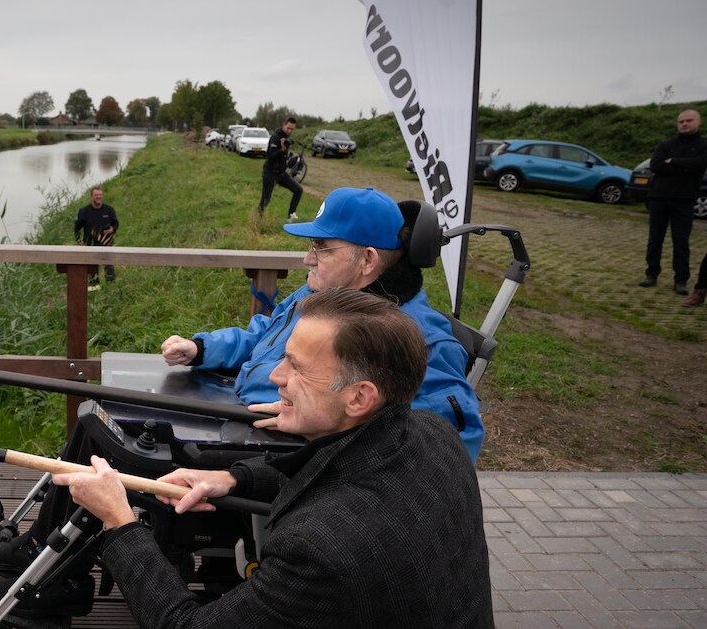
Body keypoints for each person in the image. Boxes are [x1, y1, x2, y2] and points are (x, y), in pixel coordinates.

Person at [54, 288, 494, 628]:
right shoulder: (434, 434)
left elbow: (184, 625)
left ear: (360, 397)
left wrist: (119, 522)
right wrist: (233, 478)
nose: (277, 377)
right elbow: (330, 470)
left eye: (297, 367)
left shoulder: (319, 552)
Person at [162, 186, 483, 462]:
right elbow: (265, 335)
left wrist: (327, 426)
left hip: (298, 459)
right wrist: (203, 348)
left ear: (367, 260)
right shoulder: (319, 294)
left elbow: (452, 439)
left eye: (322, 249)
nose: (307, 259)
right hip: (242, 416)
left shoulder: (414, 339)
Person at [639, 109, 707, 295]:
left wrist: (674, 161)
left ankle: (681, 280)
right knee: (655, 240)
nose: (684, 124)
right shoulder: (666, 144)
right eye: (681, 121)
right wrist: (685, 167)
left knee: (681, 242)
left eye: (689, 120)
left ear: (699, 122)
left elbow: (701, 163)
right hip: (659, 197)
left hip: (684, 200)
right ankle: (651, 274)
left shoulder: (704, 145)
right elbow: (656, 165)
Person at [259, 116, 303, 222]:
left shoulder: (286, 138)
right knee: (265, 200)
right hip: (270, 172)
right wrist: (282, 150)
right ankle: (257, 219)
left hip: (281, 173)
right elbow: (270, 156)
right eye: (288, 128)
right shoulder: (275, 137)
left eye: (292, 129)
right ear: (284, 124)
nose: (290, 131)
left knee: (298, 190)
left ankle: (291, 214)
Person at [74, 186, 119, 285]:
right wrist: (79, 241)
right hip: (90, 244)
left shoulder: (109, 209)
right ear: (91, 197)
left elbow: (116, 223)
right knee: (92, 267)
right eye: (96, 195)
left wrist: (112, 229)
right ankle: (94, 286)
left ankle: (111, 286)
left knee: (109, 266)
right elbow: (76, 228)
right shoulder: (83, 211)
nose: (99, 197)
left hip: (107, 243)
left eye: (100, 195)